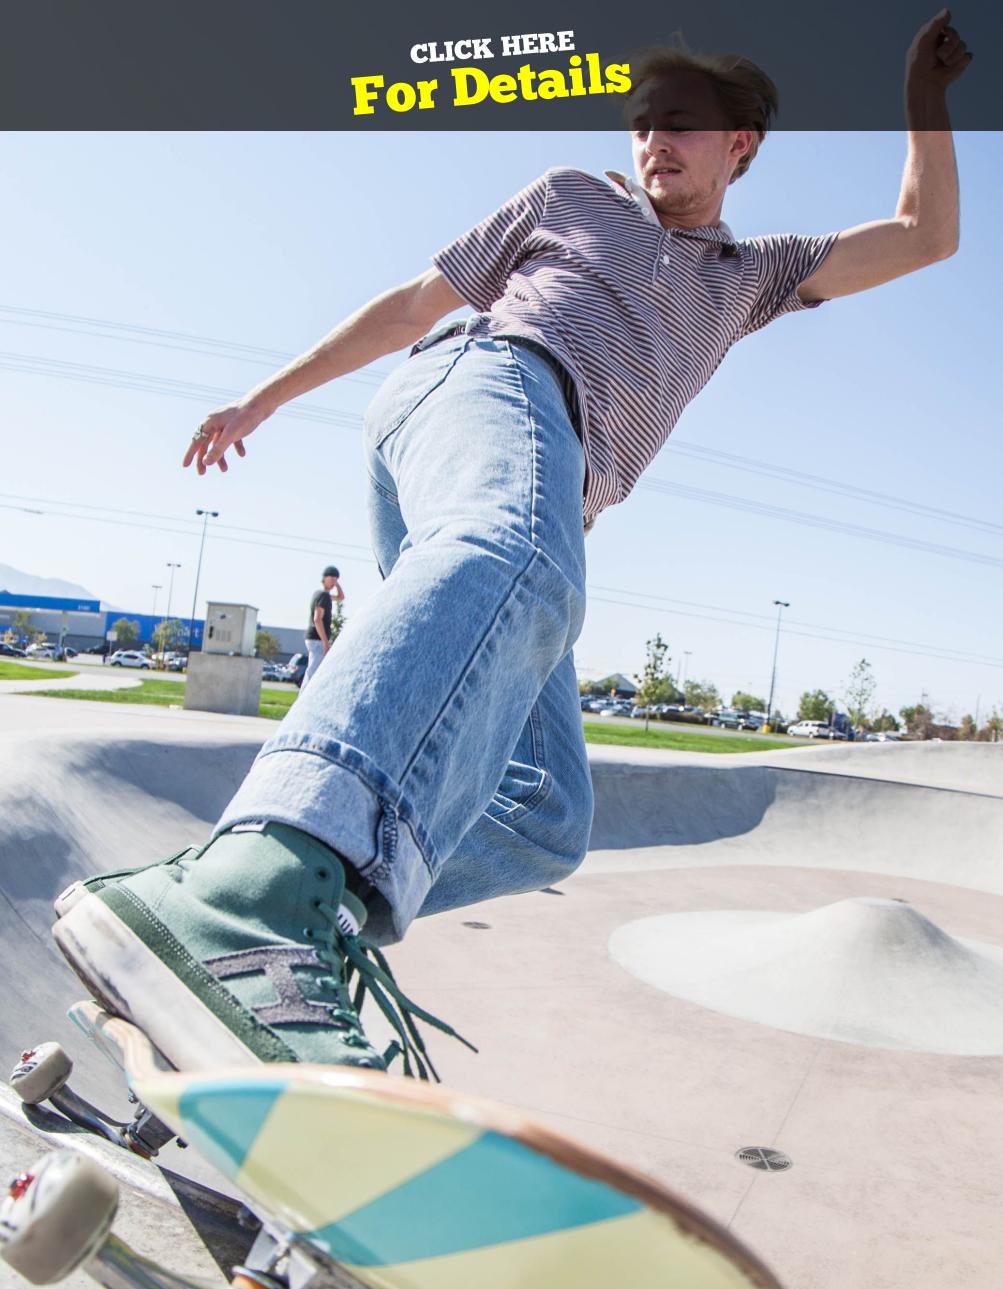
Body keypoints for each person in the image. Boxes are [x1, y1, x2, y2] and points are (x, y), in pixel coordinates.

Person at [53, 15, 970, 1078]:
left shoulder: (752, 276)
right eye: (641, 125)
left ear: (741, 146)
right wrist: (262, 398)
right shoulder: (571, 196)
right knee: (522, 557)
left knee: (544, 814)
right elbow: (412, 302)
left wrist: (920, 93)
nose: (651, 142)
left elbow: (922, 236)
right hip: (483, 388)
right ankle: (244, 898)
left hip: (544, 486)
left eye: (680, 124)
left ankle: (295, 908)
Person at [301, 565, 344, 693]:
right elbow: (317, 619)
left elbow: (341, 597)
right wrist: (325, 642)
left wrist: (336, 584)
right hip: (317, 638)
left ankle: (304, 699)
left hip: (314, 638)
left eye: (336, 579)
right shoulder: (323, 596)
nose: (334, 581)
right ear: (324, 578)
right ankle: (302, 702)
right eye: (332, 578)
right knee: (313, 672)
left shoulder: (321, 595)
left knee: (314, 670)